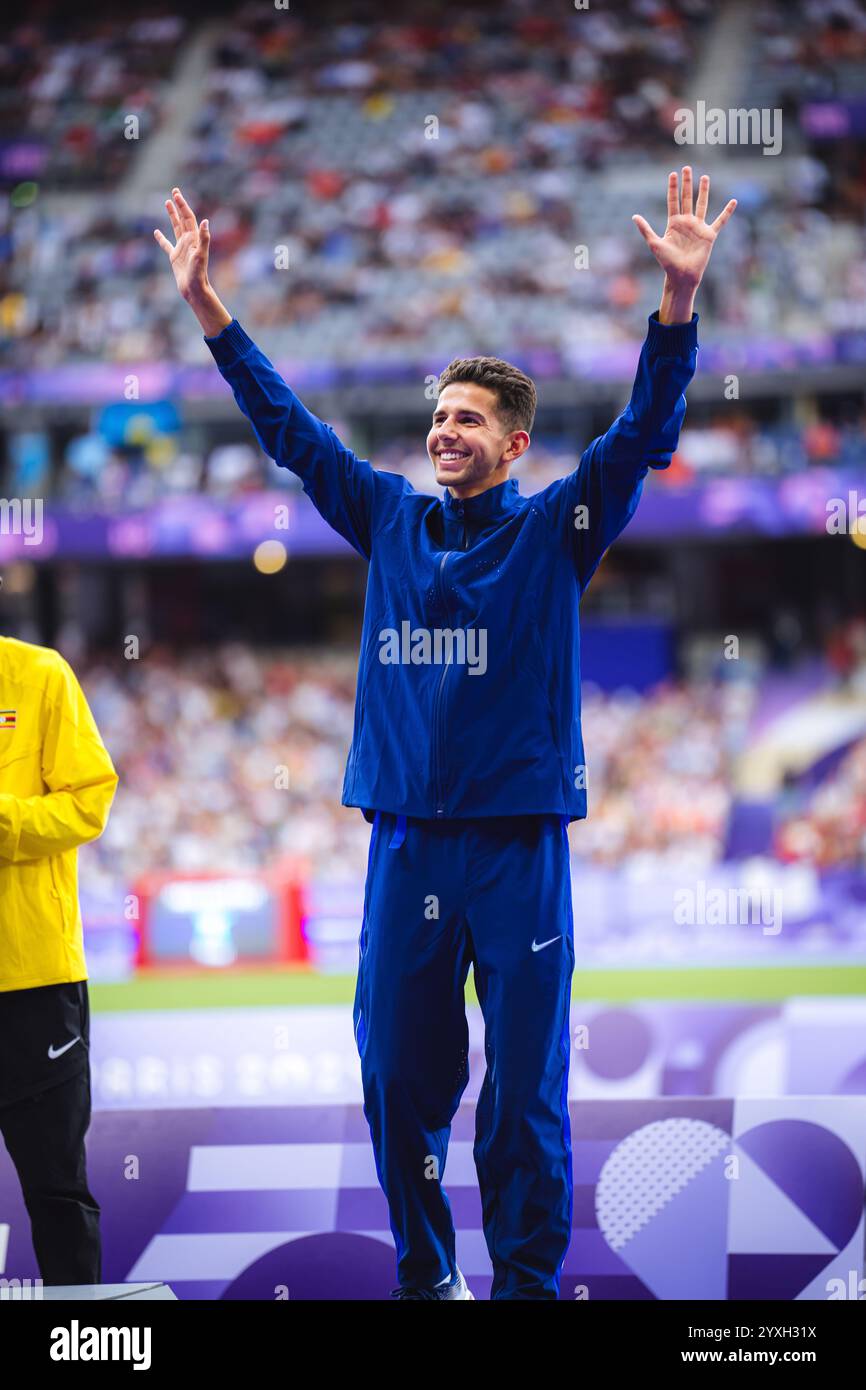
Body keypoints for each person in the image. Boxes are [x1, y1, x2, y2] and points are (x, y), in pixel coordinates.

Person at [156, 168, 736, 1300]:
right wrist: (208, 311)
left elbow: (642, 434)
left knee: (521, 1096)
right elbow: (288, 429)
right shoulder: (386, 516)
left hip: (517, 852)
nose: (443, 429)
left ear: (515, 447)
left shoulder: (558, 529)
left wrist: (674, 308)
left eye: (468, 417)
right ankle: (426, 1281)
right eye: (438, 415)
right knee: (391, 1080)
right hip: (407, 846)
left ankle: (522, 1289)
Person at [0, 627, 118, 1285]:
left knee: (57, 1191)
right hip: (36, 982)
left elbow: (90, 800)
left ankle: (78, 1346)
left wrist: (4, 822)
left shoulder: (39, 674)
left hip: (35, 983)